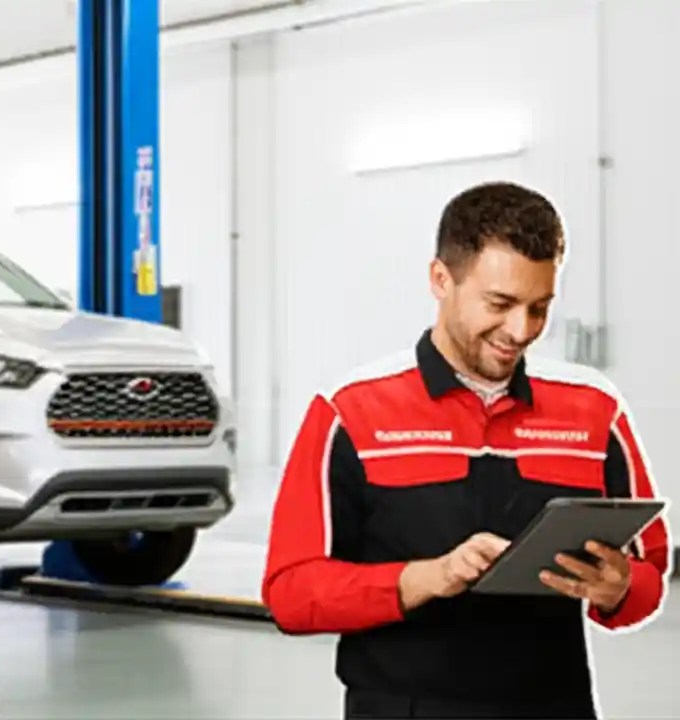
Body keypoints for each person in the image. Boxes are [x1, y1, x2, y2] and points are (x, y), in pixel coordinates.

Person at [260, 181, 671, 719]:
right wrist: (427, 577)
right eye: (499, 304)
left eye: (539, 307)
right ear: (441, 279)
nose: (520, 331)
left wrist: (618, 589)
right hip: (404, 709)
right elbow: (291, 594)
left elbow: (650, 575)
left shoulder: (594, 409)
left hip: (556, 707)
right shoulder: (350, 411)